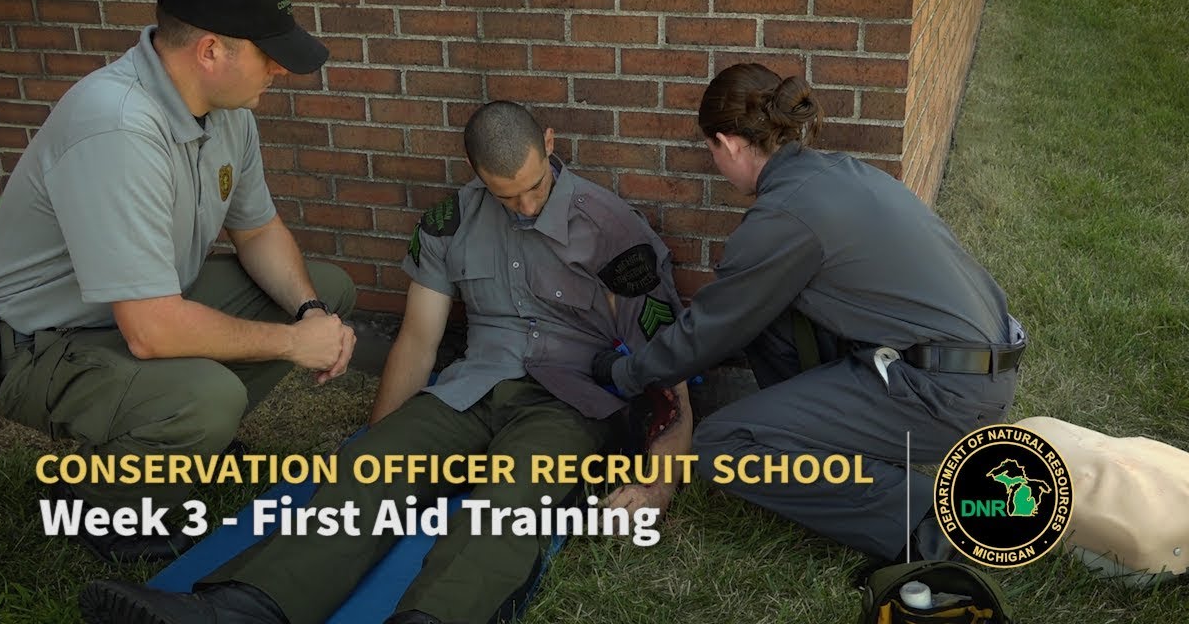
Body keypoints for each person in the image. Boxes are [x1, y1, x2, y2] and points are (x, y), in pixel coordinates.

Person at [77, 101, 694, 624]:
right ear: (477, 174)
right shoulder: (450, 224)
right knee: (370, 470)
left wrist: (658, 483)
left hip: (568, 403)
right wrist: (377, 440)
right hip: (470, 390)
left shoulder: (613, 231)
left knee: (512, 498)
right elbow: (418, 342)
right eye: (507, 195)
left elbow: (669, 368)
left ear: (550, 145)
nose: (526, 207)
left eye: (535, 187)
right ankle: (239, 609)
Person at [0, 0, 358, 562]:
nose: (280, 70)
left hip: (137, 309)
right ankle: (100, 505)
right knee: (207, 397)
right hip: (41, 344)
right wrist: (292, 344)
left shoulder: (226, 111)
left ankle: (183, 439)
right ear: (211, 51)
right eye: (268, 53)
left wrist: (309, 314)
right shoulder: (117, 127)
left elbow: (258, 230)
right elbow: (150, 331)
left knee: (326, 291)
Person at [591, 63, 1025, 564]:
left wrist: (623, 373)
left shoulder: (783, 216)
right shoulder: (838, 172)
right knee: (769, 319)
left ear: (728, 144)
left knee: (724, 446)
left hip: (945, 392)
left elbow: (706, 332)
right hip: (978, 363)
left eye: (711, 150)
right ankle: (811, 442)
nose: (715, 162)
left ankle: (939, 525)